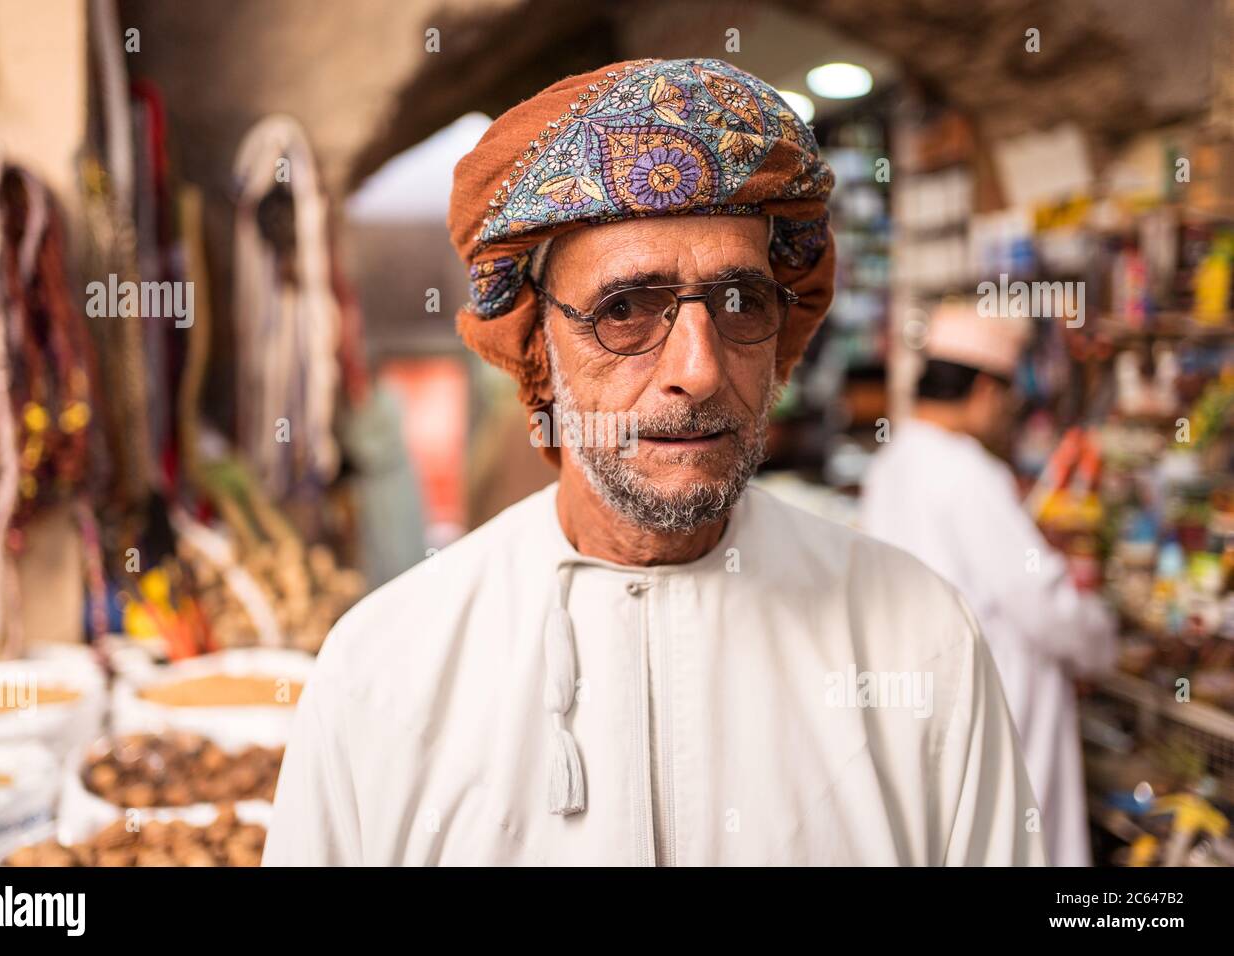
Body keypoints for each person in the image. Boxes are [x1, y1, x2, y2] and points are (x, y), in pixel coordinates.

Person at [264, 58, 1044, 866]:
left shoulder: (916, 641)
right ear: (539, 345)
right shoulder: (386, 671)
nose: (699, 370)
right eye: (625, 310)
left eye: (740, 302)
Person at [861, 302, 1117, 867]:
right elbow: (1046, 607)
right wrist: (1102, 640)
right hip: (1003, 707)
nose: (1009, 417)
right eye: (1009, 400)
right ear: (985, 391)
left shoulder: (894, 462)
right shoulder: (967, 473)